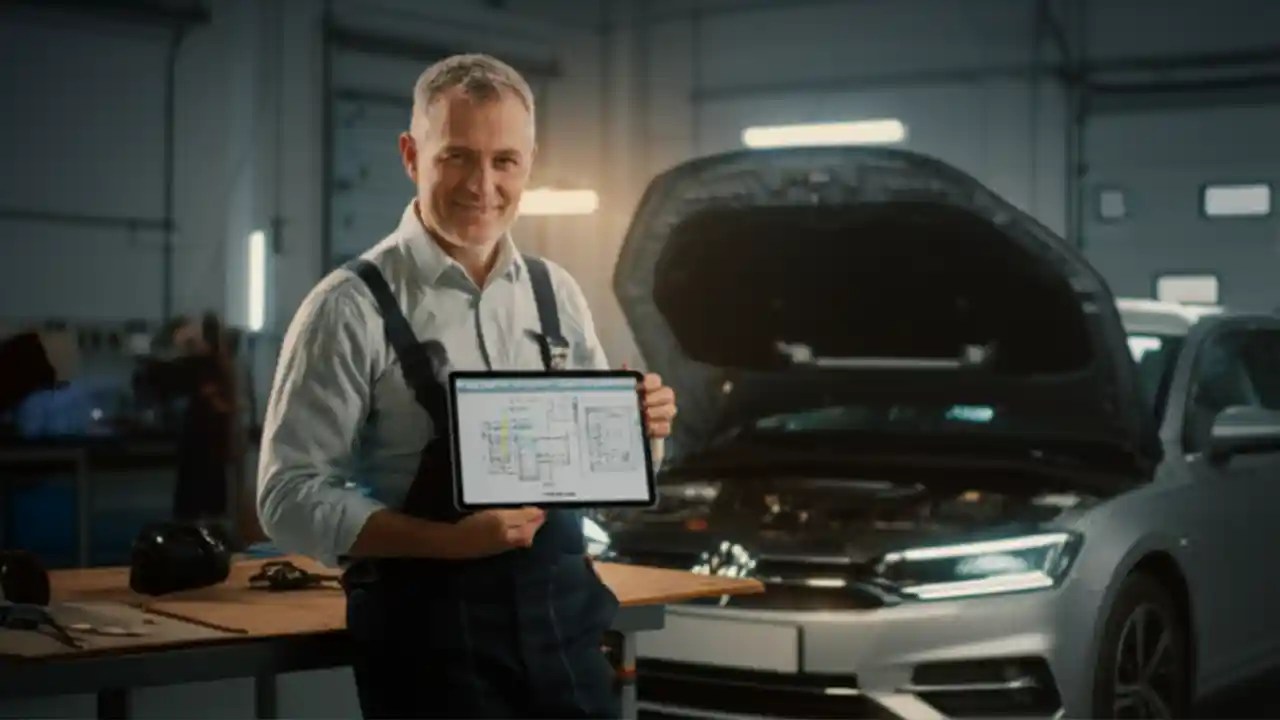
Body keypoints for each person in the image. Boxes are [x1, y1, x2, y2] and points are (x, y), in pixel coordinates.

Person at [256, 53, 677, 719]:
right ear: (410, 154)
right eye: (457, 156)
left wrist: (642, 433)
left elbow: (609, 489)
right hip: (430, 650)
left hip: (564, 633)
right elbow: (286, 497)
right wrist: (446, 543)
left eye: (505, 160)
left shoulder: (554, 294)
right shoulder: (348, 306)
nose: (483, 184)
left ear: (529, 163)